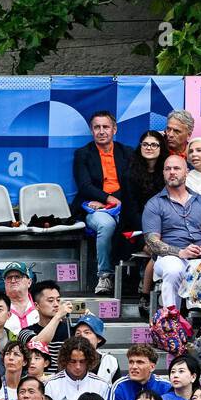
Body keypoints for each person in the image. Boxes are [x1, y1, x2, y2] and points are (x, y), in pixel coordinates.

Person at [142, 153, 201, 308]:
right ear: (163, 173)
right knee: (173, 268)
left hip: (199, 256)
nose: (172, 172)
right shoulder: (154, 203)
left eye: (176, 168)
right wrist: (181, 252)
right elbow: (152, 242)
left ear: (186, 172)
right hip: (168, 257)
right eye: (167, 169)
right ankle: (171, 320)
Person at [71, 110, 132, 294]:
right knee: (106, 225)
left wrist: (116, 201)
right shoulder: (83, 154)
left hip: (123, 204)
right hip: (93, 207)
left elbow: (132, 183)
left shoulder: (127, 152)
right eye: (97, 127)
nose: (101, 131)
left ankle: (136, 279)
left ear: (114, 129)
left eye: (106, 127)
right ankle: (104, 276)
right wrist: (106, 200)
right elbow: (84, 185)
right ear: (91, 130)